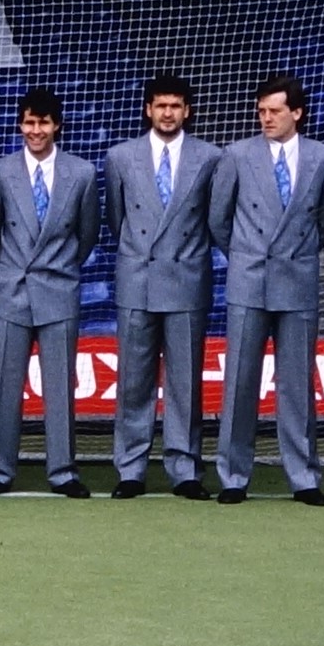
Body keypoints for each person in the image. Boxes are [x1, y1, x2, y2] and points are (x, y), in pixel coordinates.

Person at [209, 74, 324, 506]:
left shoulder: (323, 158)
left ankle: (304, 476)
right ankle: (232, 476)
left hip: (298, 282)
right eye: (261, 111)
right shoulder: (237, 155)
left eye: (274, 111)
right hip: (248, 281)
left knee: (297, 386)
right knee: (240, 383)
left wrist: (293, 254)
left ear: (297, 113)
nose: (266, 118)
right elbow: (219, 219)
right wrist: (248, 254)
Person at [100, 73, 220, 501]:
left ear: (187, 111)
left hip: (187, 279)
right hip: (138, 279)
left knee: (185, 382)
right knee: (134, 380)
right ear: (147, 109)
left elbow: (216, 219)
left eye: (175, 106)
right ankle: (130, 467)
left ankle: (184, 467)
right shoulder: (120, 157)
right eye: (160, 105)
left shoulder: (210, 157)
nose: (167, 113)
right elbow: (118, 221)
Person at [0, 89, 101, 498]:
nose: (36, 131)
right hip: (12, 290)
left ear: (57, 126)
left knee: (59, 384)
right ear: (20, 125)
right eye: (29, 123)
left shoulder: (82, 173)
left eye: (44, 123)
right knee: (4, 385)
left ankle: (63, 471)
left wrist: (59, 267)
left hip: (58, 289)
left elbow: (86, 235)